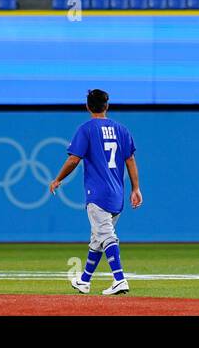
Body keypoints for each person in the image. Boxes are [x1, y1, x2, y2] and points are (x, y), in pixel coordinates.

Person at [49, 89, 142, 295]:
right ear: (106, 106)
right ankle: (84, 281)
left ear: (87, 106)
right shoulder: (121, 130)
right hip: (117, 193)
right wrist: (136, 188)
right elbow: (130, 160)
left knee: (106, 235)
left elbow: (74, 159)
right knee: (98, 238)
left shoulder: (86, 129)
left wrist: (58, 179)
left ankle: (119, 279)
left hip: (98, 193)